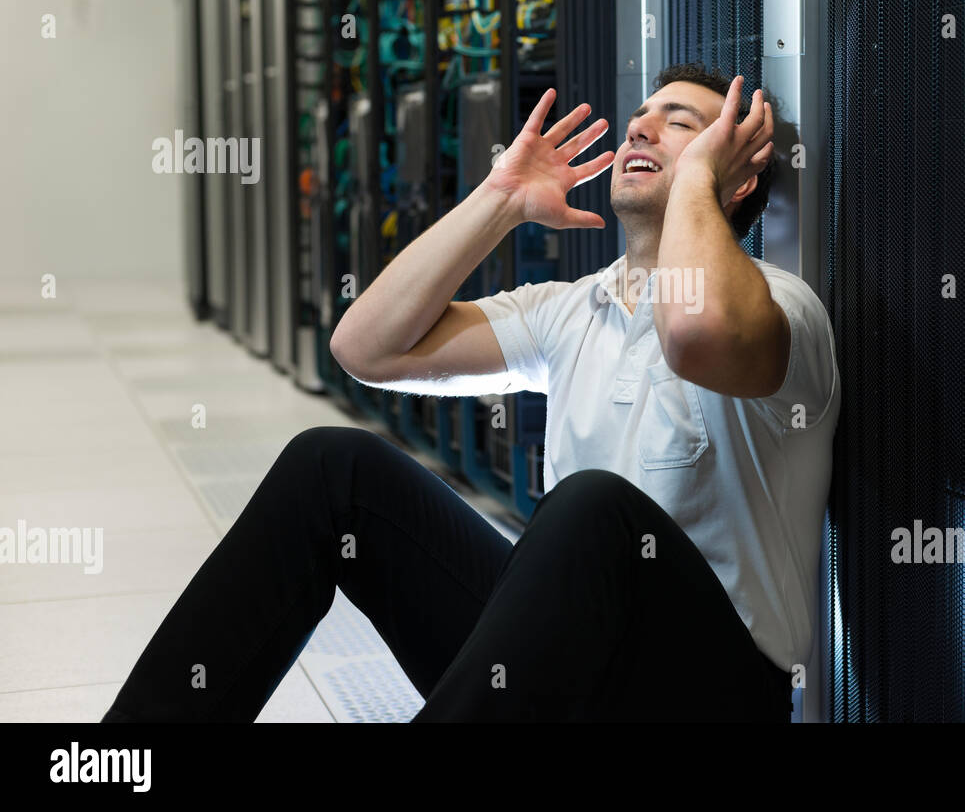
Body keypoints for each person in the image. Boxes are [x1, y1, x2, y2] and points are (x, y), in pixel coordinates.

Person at [102, 63, 840, 722]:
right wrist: (501, 198)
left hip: (702, 692)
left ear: (735, 176)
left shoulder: (779, 309)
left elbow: (695, 333)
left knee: (590, 505)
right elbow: (366, 347)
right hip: (567, 669)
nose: (642, 124)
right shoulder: (571, 308)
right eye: (643, 112)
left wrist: (699, 182)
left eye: (683, 124)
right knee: (332, 469)